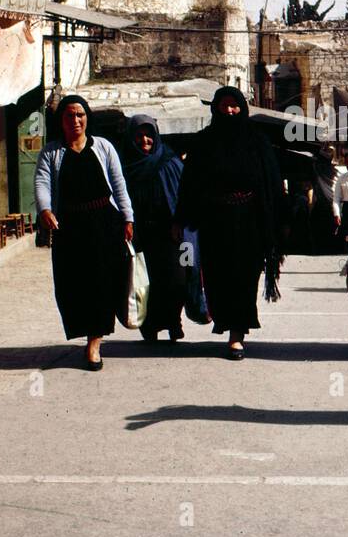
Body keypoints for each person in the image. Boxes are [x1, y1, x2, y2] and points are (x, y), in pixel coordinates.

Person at [175, 86, 287, 360]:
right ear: (215, 108)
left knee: (244, 277)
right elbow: (188, 184)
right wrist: (181, 218)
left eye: (234, 105)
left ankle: (237, 334)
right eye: (223, 105)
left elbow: (272, 183)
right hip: (215, 222)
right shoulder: (203, 142)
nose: (229, 110)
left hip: (250, 221)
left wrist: (278, 221)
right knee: (218, 277)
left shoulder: (257, 141)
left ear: (242, 107)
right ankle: (225, 323)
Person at [34, 94, 135, 370]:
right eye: (69, 116)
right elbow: (42, 182)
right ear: (61, 120)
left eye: (80, 115)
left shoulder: (103, 147)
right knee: (73, 285)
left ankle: (94, 344)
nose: (75, 121)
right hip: (70, 228)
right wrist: (44, 210)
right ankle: (85, 332)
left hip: (104, 224)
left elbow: (119, 183)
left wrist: (128, 217)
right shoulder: (51, 152)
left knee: (102, 284)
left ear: (87, 118)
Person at [121, 114, 186, 344]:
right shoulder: (124, 165)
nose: (144, 140)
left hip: (169, 234)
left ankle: (173, 321)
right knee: (144, 283)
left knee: (176, 280)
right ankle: (150, 327)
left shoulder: (170, 161)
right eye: (139, 135)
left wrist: (179, 222)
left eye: (149, 135)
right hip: (139, 234)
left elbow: (183, 196)